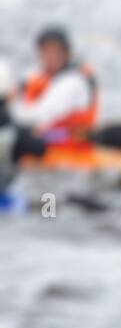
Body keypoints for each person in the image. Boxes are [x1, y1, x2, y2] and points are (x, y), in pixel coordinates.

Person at [8, 27, 98, 161]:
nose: (50, 57)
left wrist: (8, 111)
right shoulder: (36, 75)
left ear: (67, 53)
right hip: (45, 140)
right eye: (45, 51)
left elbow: (39, 116)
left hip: (68, 147)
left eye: (56, 52)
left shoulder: (74, 81)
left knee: (18, 135)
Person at [0, 63, 49, 207]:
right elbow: (40, 148)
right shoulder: (18, 133)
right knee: (50, 203)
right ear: (10, 94)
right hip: (5, 198)